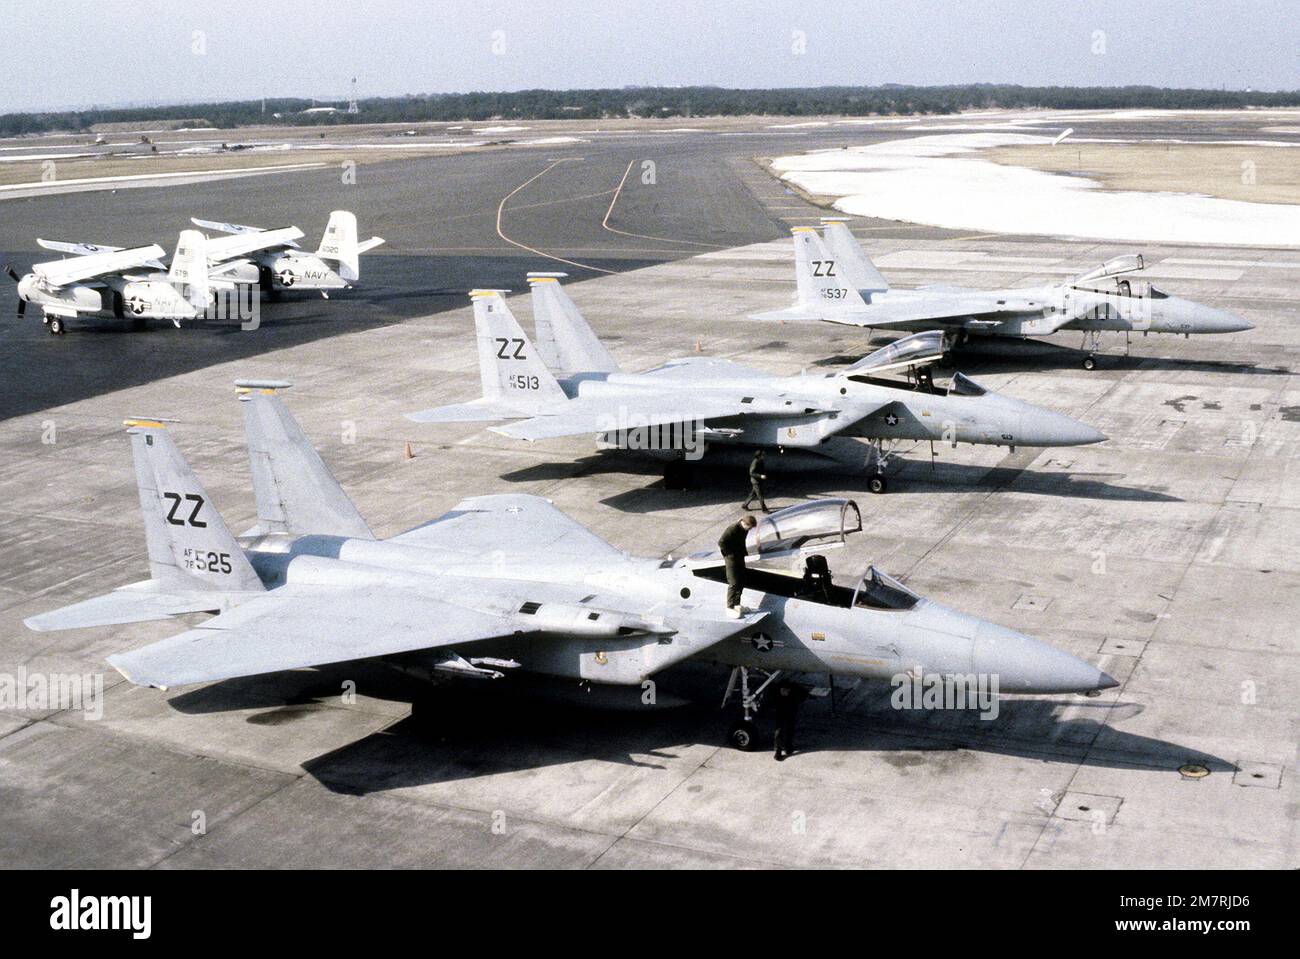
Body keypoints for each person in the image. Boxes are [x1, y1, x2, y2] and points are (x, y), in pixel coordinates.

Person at [717, 514, 757, 616]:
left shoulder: (745, 529)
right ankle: (729, 607)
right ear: (745, 523)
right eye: (750, 527)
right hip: (731, 558)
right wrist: (729, 555)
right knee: (733, 582)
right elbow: (721, 542)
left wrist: (743, 553)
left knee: (741, 580)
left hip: (740, 556)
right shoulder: (732, 529)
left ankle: (737, 605)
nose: (750, 529)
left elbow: (742, 541)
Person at [772, 682, 809, 761]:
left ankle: (788, 747)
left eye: (786, 691)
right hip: (781, 713)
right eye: (783, 691)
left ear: (789, 690)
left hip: (791, 712)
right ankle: (778, 752)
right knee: (779, 732)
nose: (785, 692)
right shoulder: (776, 692)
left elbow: (804, 694)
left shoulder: (795, 691)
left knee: (790, 730)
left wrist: (798, 702)